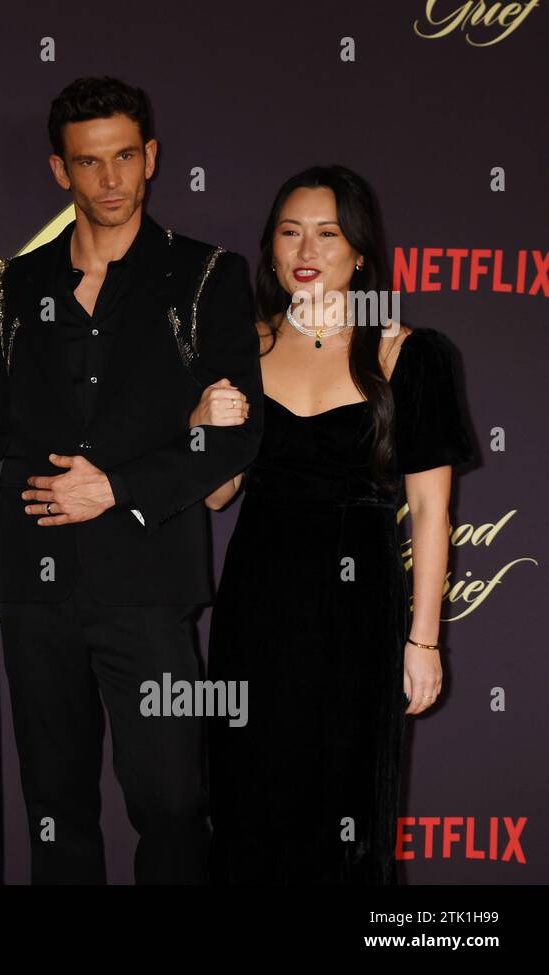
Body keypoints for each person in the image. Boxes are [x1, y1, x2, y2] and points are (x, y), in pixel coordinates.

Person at [0, 76, 263, 884]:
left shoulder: (208, 276)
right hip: (34, 588)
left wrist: (117, 487)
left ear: (152, 159)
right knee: (56, 809)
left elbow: (238, 436)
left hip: (150, 585)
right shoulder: (8, 287)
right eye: (88, 162)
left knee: (173, 804)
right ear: (59, 171)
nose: (110, 179)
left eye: (125, 157)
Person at [203, 165, 475, 884]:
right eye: (290, 231)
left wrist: (423, 640)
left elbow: (429, 510)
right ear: (269, 248)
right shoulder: (245, 347)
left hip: (357, 611)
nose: (307, 248)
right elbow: (217, 496)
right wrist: (201, 425)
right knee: (249, 794)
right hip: (258, 605)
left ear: (360, 251)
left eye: (328, 232)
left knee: (347, 798)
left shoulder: (407, 354)